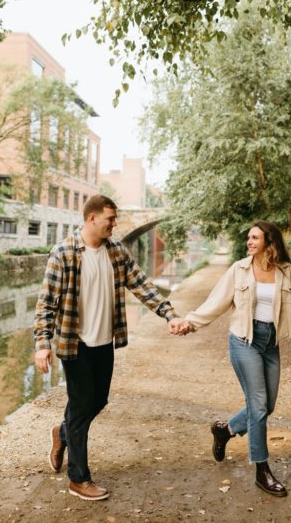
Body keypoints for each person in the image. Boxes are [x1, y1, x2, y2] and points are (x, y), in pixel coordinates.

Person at [34, 195, 183, 501]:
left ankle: (61, 434)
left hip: (105, 342)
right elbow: (45, 304)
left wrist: (168, 313)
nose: (115, 224)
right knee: (80, 405)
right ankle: (79, 478)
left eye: (115, 219)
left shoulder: (116, 251)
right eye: (110, 219)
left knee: (97, 401)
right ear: (91, 218)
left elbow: (141, 284)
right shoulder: (63, 253)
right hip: (73, 343)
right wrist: (42, 344)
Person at [171, 220, 291, 497]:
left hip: (270, 344)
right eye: (248, 238)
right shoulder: (239, 270)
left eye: (255, 238)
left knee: (267, 406)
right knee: (258, 407)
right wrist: (190, 322)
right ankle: (262, 470)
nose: (249, 242)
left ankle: (225, 430)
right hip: (243, 341)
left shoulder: (287, 272)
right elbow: (216, 302)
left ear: (270, 242)